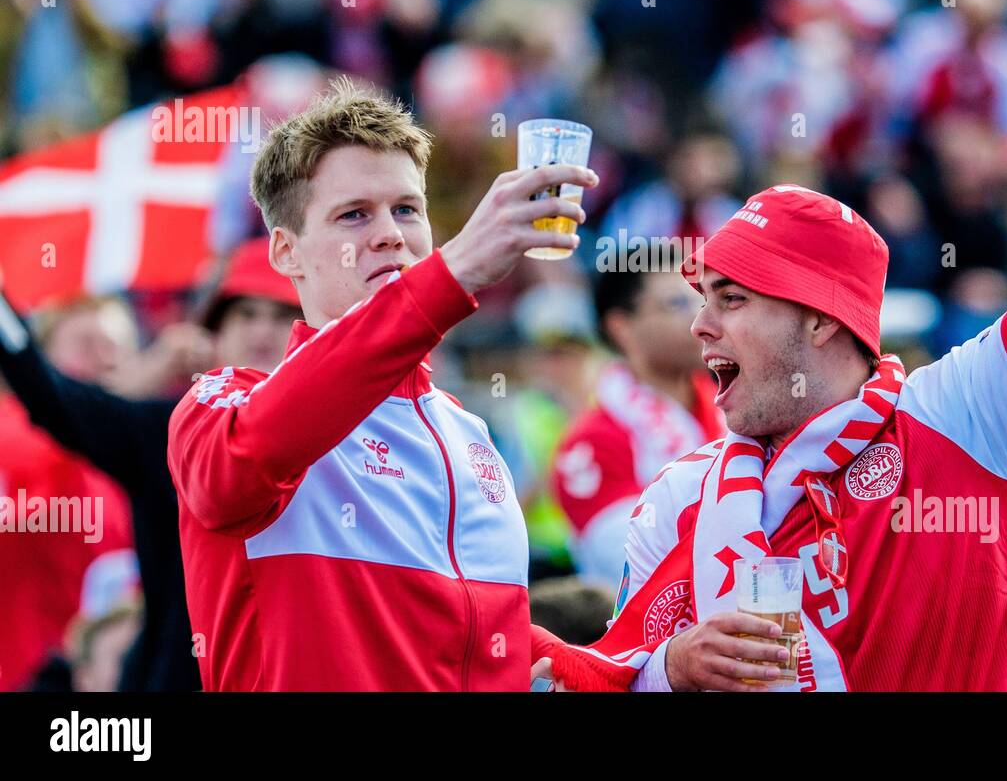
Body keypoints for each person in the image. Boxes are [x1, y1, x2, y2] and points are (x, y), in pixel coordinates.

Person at [540, 0, 1007, 691]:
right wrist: (672, 669)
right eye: (701, 298)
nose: (699, 327)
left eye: (732, 299)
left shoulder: (966, 413)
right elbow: (609, 674)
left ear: (820, 320)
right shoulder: (680, 498)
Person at [166, 78, 597, 690]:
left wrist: (653, 667)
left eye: (406, 209)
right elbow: (246, 458)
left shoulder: (465, 428)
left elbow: (490, 634)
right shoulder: (223, 401)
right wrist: (456, 273)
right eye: (353, 215)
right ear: (286, 253)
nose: (391, 233)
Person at [0, 237, 302, 690]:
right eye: (244, 314)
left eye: (280, 315)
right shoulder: (166, 432)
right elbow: (53, 398)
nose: (261, 332)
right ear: (211, 336)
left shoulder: (357, 435)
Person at [552, 265, 724, 589]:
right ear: (621, 328)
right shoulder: (592, 443)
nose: (701, 320)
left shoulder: (735, 411)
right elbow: (635, 563)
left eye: (701, 303)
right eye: (676, 305)